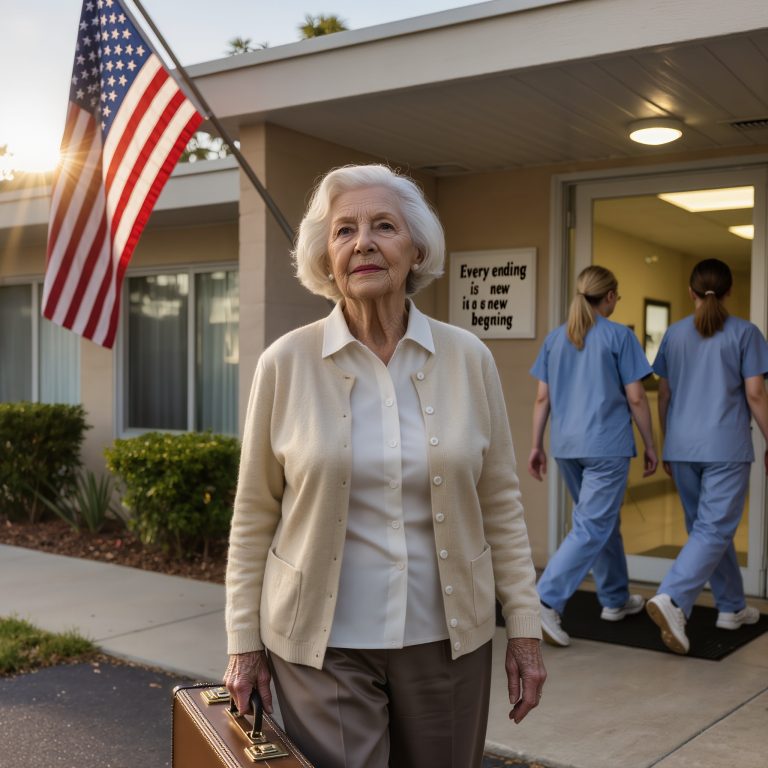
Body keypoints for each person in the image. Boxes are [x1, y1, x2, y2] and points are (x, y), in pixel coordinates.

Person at [223, 163, 546, 768]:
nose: (363, 242)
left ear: (417, 247)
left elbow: (501, 501)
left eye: (384, 226)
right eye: (344, 230)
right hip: (322, 650)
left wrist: (523, 628)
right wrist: (243, 643)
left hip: (448, 638)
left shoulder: (467, 358)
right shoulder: (285, 364)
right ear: (327, 255)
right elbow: (254, 514)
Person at [528, 265, 658, 647]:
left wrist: (536, 445)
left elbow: (541, 398)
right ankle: (545, 599)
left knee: (602, 522)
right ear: (611, 297)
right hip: (606, 447)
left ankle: (615, 598)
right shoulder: (620, 337)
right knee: (592, 525)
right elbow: (636, 397)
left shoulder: (555, 339)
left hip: (568, 447)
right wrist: (650, 444)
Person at [646, 258, 768, 655]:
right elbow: (755, 393)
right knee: (713, 530)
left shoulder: (674, 334)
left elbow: (663, 395)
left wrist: (667, 443)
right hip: (724, 447)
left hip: (682, 447)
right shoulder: (746, 333)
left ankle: (731, 607)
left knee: (708, 530)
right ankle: (673, 598)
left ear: (690, 291)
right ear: (730, 291)